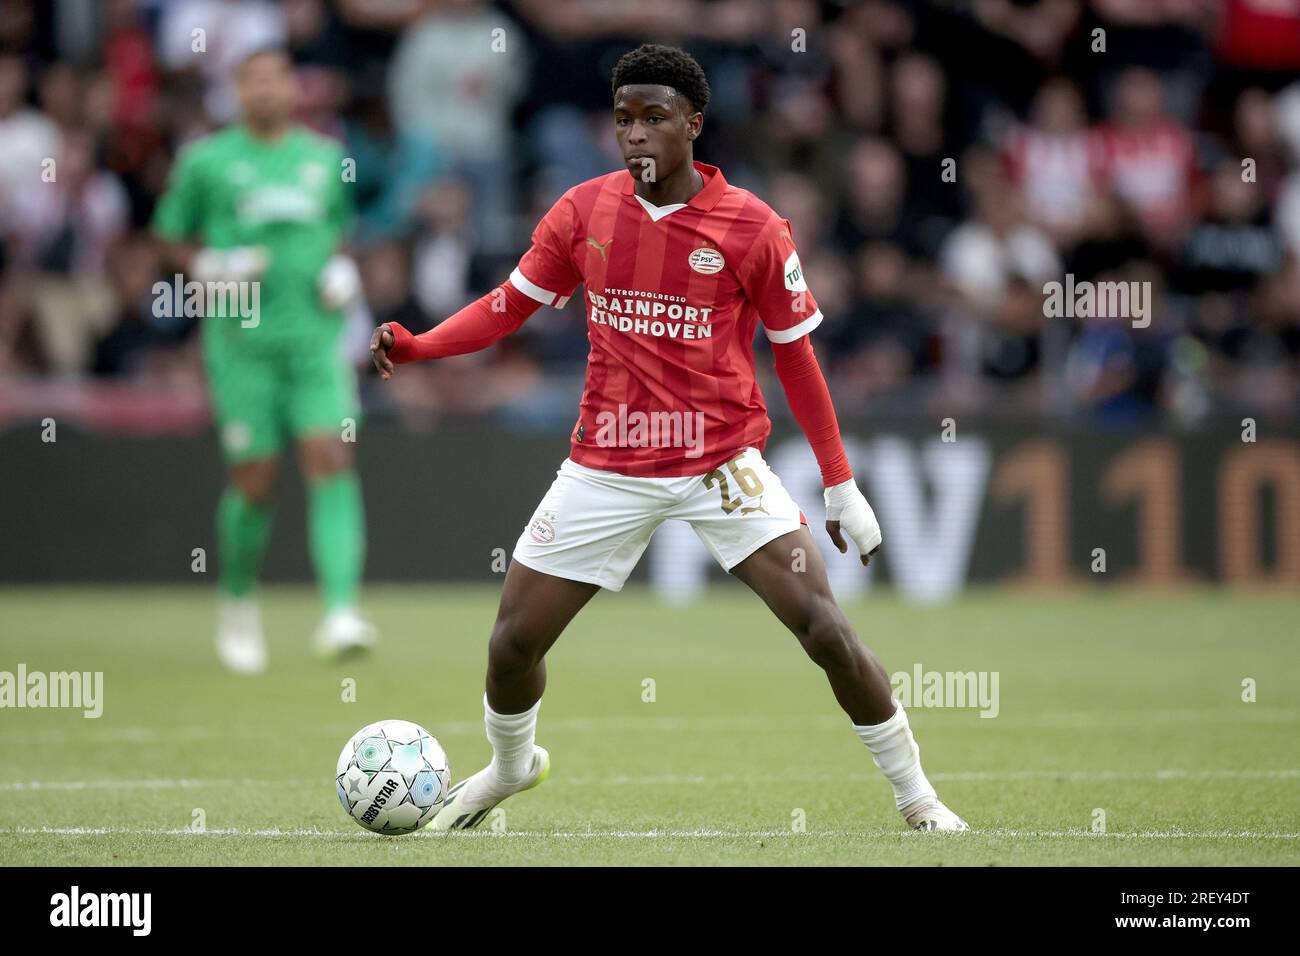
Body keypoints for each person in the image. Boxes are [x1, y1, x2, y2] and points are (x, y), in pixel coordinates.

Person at [371, 45, 968, 832]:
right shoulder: (582, 211)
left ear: (694, 123)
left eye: (655, 119)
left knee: (825, 628)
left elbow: (796, 356)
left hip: (719, 462)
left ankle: (917, 798)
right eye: (624, 120)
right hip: (606, 463)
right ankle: (511, 769)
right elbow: (508, 305)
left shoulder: (754, 228)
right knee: (512, 644)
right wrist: (419, 346)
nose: (636, 135)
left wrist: (840, 481)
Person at [153, 47, 374, 673]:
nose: (265, 90)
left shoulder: (326, 157)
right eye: (251, 79)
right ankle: (239, 599)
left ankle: (340, 611)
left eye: (275, 78)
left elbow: (336, 229)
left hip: (313, 339)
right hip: (241, 344)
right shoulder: (206, 161)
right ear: (236, 89)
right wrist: (204, 267)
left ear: (293, 88)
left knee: (330, 454)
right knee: (255, 477)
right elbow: (167, 237)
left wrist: (338, 268)